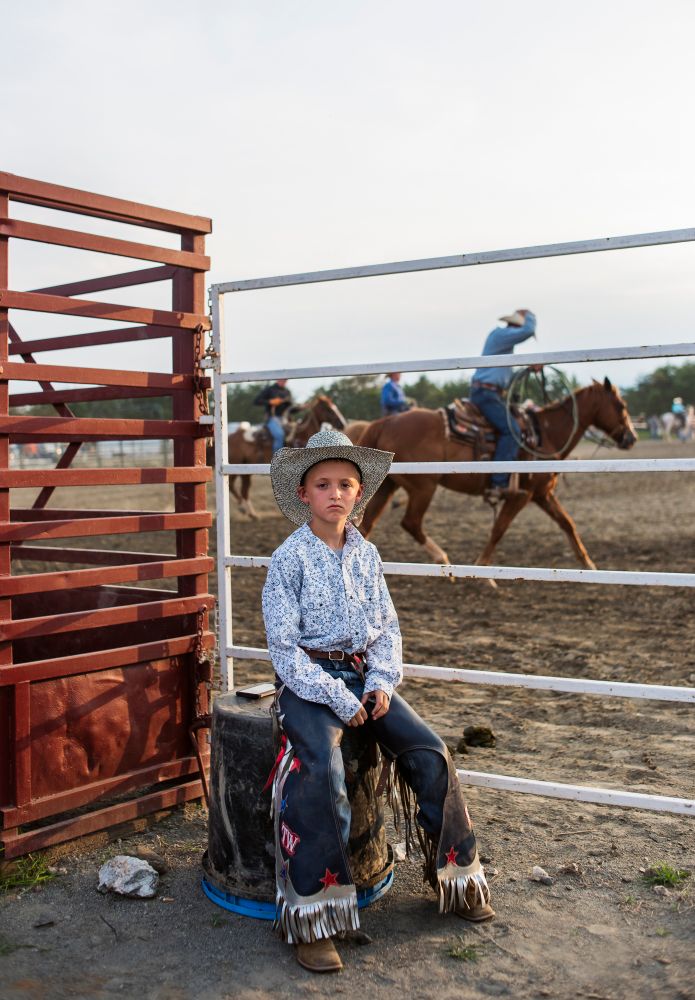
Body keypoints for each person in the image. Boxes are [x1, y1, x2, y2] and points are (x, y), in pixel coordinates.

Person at [262, 428, 493, 974]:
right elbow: (282, 649)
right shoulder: (288, 558)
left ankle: (455, 875)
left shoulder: (367, 554)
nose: (335, 493)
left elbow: (386, 628)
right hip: (309, 681)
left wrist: (381, 683)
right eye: (323, 484)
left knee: (431, 751)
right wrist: (337, 698)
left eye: (346, 484)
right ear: (304, 494)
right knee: (321, 768)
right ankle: (315, 915)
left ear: (359, 492)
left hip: (365, 676)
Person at [470, 309, 537, 505]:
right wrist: (530, 316)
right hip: (486, 394)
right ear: (515, 326)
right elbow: (527, 331)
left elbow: (505, 379)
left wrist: (528, 367)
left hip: (491, 393)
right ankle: (498, 483)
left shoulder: (503, 346)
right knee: (511, 430)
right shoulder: (500, 334)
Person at [254, 379, 294, 454]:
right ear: (278, 379)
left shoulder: (287, 392)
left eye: (285, 380)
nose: (284, 381)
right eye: (282, 380)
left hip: (285, 419)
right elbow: (256, 401)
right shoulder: (270, 389)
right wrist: (270, 401)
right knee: (279, 435)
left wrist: (303, 407)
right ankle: (277, 461)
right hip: (272, 418)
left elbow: (291, 409)